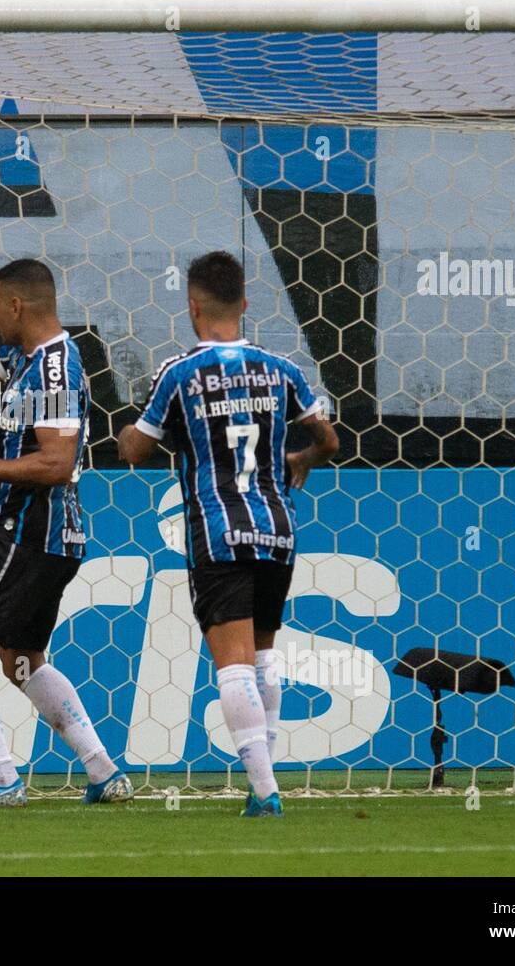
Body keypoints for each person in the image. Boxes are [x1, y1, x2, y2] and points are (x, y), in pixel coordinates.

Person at [117, 251, 338, 817]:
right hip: (277, 529)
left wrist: (127, 432)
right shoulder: (281, 369)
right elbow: (331, 442)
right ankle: (264, 781)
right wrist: (303, 456)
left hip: (218, 532)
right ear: (243, 303)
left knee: (233, 664)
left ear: (192, 307)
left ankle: (266, 793)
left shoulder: (180, 373)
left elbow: (137, 452)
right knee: (263, 657)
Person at [0, 259, 133, 808]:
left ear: (17, 306)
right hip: (45, 535)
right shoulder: (22, 357)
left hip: (27, 528)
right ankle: (103, 770)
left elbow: (58, 463)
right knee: (20, 660)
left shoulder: (56, 368)